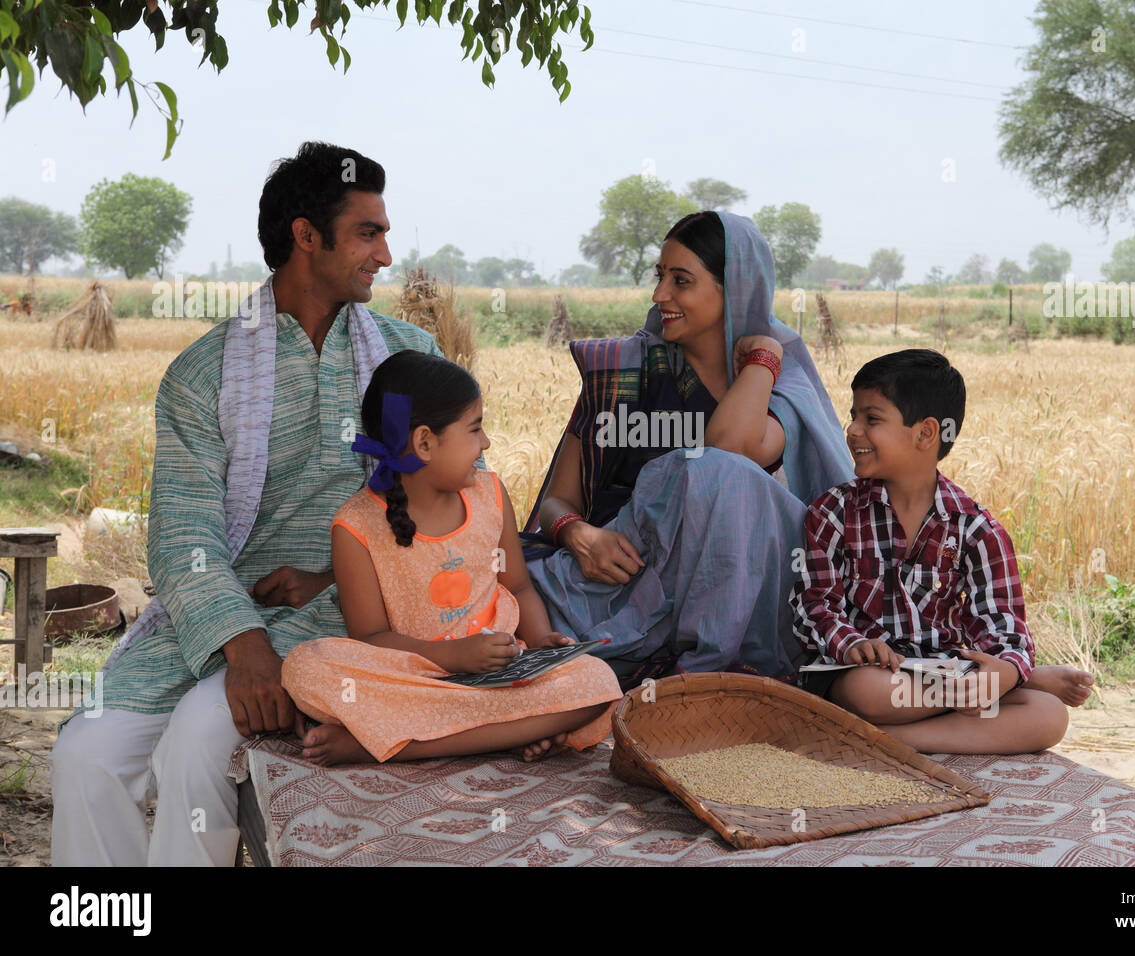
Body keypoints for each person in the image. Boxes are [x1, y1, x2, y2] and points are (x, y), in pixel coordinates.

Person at [49, 142, 444, 866]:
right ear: (305, 236)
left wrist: (330, 579)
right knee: (83, 754)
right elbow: (184, 533)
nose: (386, 254)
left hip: (348, 612)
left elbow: (452, 507)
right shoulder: (206, 373)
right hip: (213, 616)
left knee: (201, 736)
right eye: (368, 232)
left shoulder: (411, 361)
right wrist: (243, 640)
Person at [524, 211, 854, 685]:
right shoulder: (620, 372)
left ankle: (705, 671)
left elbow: (728, 452)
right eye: (660, 276)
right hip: (613, 581)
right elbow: (559, 500)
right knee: (494, 595)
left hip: (741, 602)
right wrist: (580, 535)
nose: (661, 296)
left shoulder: (781, 380)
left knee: (720, 474)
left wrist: (765, 358)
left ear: (735, 288)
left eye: (681, 281)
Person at [281, 351, 622, 765]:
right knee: (305, 668)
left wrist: (538, 642)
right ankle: (511, 729)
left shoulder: (491, 494)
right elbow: (370, 639)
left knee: (597, 680)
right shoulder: (355, 526)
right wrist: (453, 656)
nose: (486, 443)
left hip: (500, 677)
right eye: (475, 429)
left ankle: (384, 742)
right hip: (415, 680)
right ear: (425, 442)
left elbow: (516, 585)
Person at [790, 348, 1094, 755]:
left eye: (871, 419)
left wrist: (1005, 668)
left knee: (1049, 717)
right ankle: (1019, 682)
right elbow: (815, 605)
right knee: (867, 692)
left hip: (941, 678)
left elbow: (1003, 621)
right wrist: (850, 643)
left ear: (925, 433)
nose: (852, 430)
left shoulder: (976, 528)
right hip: (873, 679)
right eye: (854, 415)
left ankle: (891, 741)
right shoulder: (832, 514)